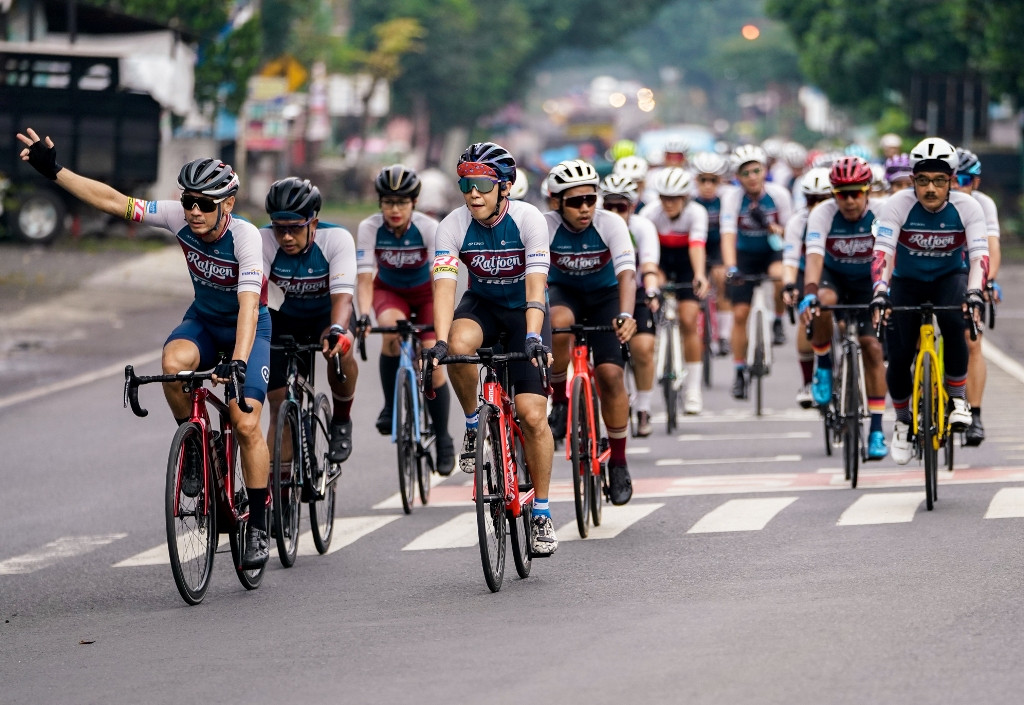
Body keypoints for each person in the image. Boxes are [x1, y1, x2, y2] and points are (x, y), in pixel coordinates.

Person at [16, 128, 272, 568]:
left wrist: (238, 362)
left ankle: (261, 525)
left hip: (248, 330)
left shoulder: (246, 238)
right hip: (204, 321)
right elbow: (115, 202)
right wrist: (55, 171)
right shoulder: (179, 217)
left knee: (245, 422)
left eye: (205, 204)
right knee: (172, 364)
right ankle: (197, 447)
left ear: (227, 205)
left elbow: (249, 306)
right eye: (188, 201)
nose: (194, 211)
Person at [426, 142, 558, 555]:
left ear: (505, 187)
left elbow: (536, 286)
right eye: (466, 184)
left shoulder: (528, 219)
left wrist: (533, 337)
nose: (473, 193)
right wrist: (440, 341)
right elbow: (444, 288)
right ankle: (472, 425)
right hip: (481, 306)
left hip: (525, 314)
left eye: (482, 185)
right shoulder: (452, 225)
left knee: (532, 415)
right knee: (457, 346)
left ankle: (542, 512)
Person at [870, 137, 989, 465]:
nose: (931, 188)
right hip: (906, 282)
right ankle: (902, 421)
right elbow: (883, 252)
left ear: (952, 180)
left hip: (949, 278)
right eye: (922, 180)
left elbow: (979, 257)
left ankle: (958, 400)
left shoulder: (968, 207)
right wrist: (880, 290)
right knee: (899, 354)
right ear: (913, 180)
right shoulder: (897, 204)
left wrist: (975, 292)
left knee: (955, 321)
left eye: (939, 180)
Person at [544, 160, 637, 505]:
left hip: (605, 297)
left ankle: (619, 462)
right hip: (564, 294)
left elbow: (627, 274)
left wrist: (625, 314)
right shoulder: (545, 225)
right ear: (556, 202)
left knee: (610, 375)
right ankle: (560, 400)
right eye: (575, 201)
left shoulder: (610, 222)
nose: (585, 208)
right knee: (558, 323)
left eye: (590, 199)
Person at [356, 165, 455, 473]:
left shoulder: (429, 227)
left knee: (433, 363)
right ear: (380, 203)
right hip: (390, 292)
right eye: (388, 202)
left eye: (401, 203)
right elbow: (364, 278)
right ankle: (390, 406)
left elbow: (440, 279)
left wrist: (438, 326)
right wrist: (363, 315)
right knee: (390, 333)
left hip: (426, 294)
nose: (395, 210)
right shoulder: (370, 228)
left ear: (414, 202)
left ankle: (443, 438)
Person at [261, 177, 359, 475]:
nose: (286, 237)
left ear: (313, 223)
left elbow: (343, 298)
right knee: (279, 404)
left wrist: (338, 330)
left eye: (295, 228)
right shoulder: (262, 240)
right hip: (283, 319)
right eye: (279, 228)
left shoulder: (336, 239)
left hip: (327, 315)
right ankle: (280, 486)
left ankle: (341, 419)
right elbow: (256, 297)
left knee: (341, 349)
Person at [797, 157, 889, 459]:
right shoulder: (823, 213)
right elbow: (814, 257)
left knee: (872, 347)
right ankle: (823, 366)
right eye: (842, 194)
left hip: (868, 281)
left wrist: (885, 290)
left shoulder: (881, 213)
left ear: (867, 192)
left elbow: (889, 254)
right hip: (833, 277)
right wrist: (809, 292)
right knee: (823, 302)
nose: (849, 201)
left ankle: (877, 430)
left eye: (855, 193)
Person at [720, 144, 794, 399]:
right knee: (740, 314)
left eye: (756, 171)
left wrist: (776, 228)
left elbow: (791, 233)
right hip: (745, 255)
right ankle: (739, 370)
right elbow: (728, 236)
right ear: (737, 177)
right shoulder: (732, 198)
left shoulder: (779, 194)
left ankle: (777, 320)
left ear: (764, 171)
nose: (752, 177)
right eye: (745, 173)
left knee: (779, 276)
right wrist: (731, 268)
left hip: (772, 251)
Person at [639, 167, 710, 414]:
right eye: (664, 198)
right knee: (653, 290)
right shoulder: (649, 213)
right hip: (660, 261)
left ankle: (693, 389)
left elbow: (697, 246)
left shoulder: (696, 212)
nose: (668, 203)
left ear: (685, 197)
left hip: (687, 263)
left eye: (675, 198)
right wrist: (651, 283)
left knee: (689, 320)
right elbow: (648, 254)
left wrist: (699, 275)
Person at [599, 173, 660, 437]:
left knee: (643, 348)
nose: (614, 212)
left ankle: (643, 408)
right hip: (604, 294)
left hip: (636, 290)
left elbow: (649, 264)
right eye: (609, 206)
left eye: (620, 207)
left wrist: (653, 290)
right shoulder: (595, 226)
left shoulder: (642, 227)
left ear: (632, 207)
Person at [953, 147, 1002, 446]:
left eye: (964, 180)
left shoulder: (983, 205)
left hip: (972, 271)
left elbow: (991, 247)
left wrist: (989, 281)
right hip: (939, 271)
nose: (957, 185)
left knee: (972, 341)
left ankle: (976, 413)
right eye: (952, 179)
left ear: (976, 182)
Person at [781, 167, 832, 407]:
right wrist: (789, 284)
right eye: (812, 200)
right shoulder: (798, 221)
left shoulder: (841, 215)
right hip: (807, 271)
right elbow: (790, 260)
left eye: (823, 199)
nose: (817, 205)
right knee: (807, 316)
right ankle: (808, 381)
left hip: (836, 271)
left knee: (846, 321)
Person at [691, 150, 734, 356]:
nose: (708, 185)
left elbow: (728, 232)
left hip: (717, 244)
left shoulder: (727, 198)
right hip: (695, 245)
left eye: (713, 180)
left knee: (721, 279)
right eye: (703, 180)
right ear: (696, 180)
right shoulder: (689, 198)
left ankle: (724, 335)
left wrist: (726, 263)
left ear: (720, 181)